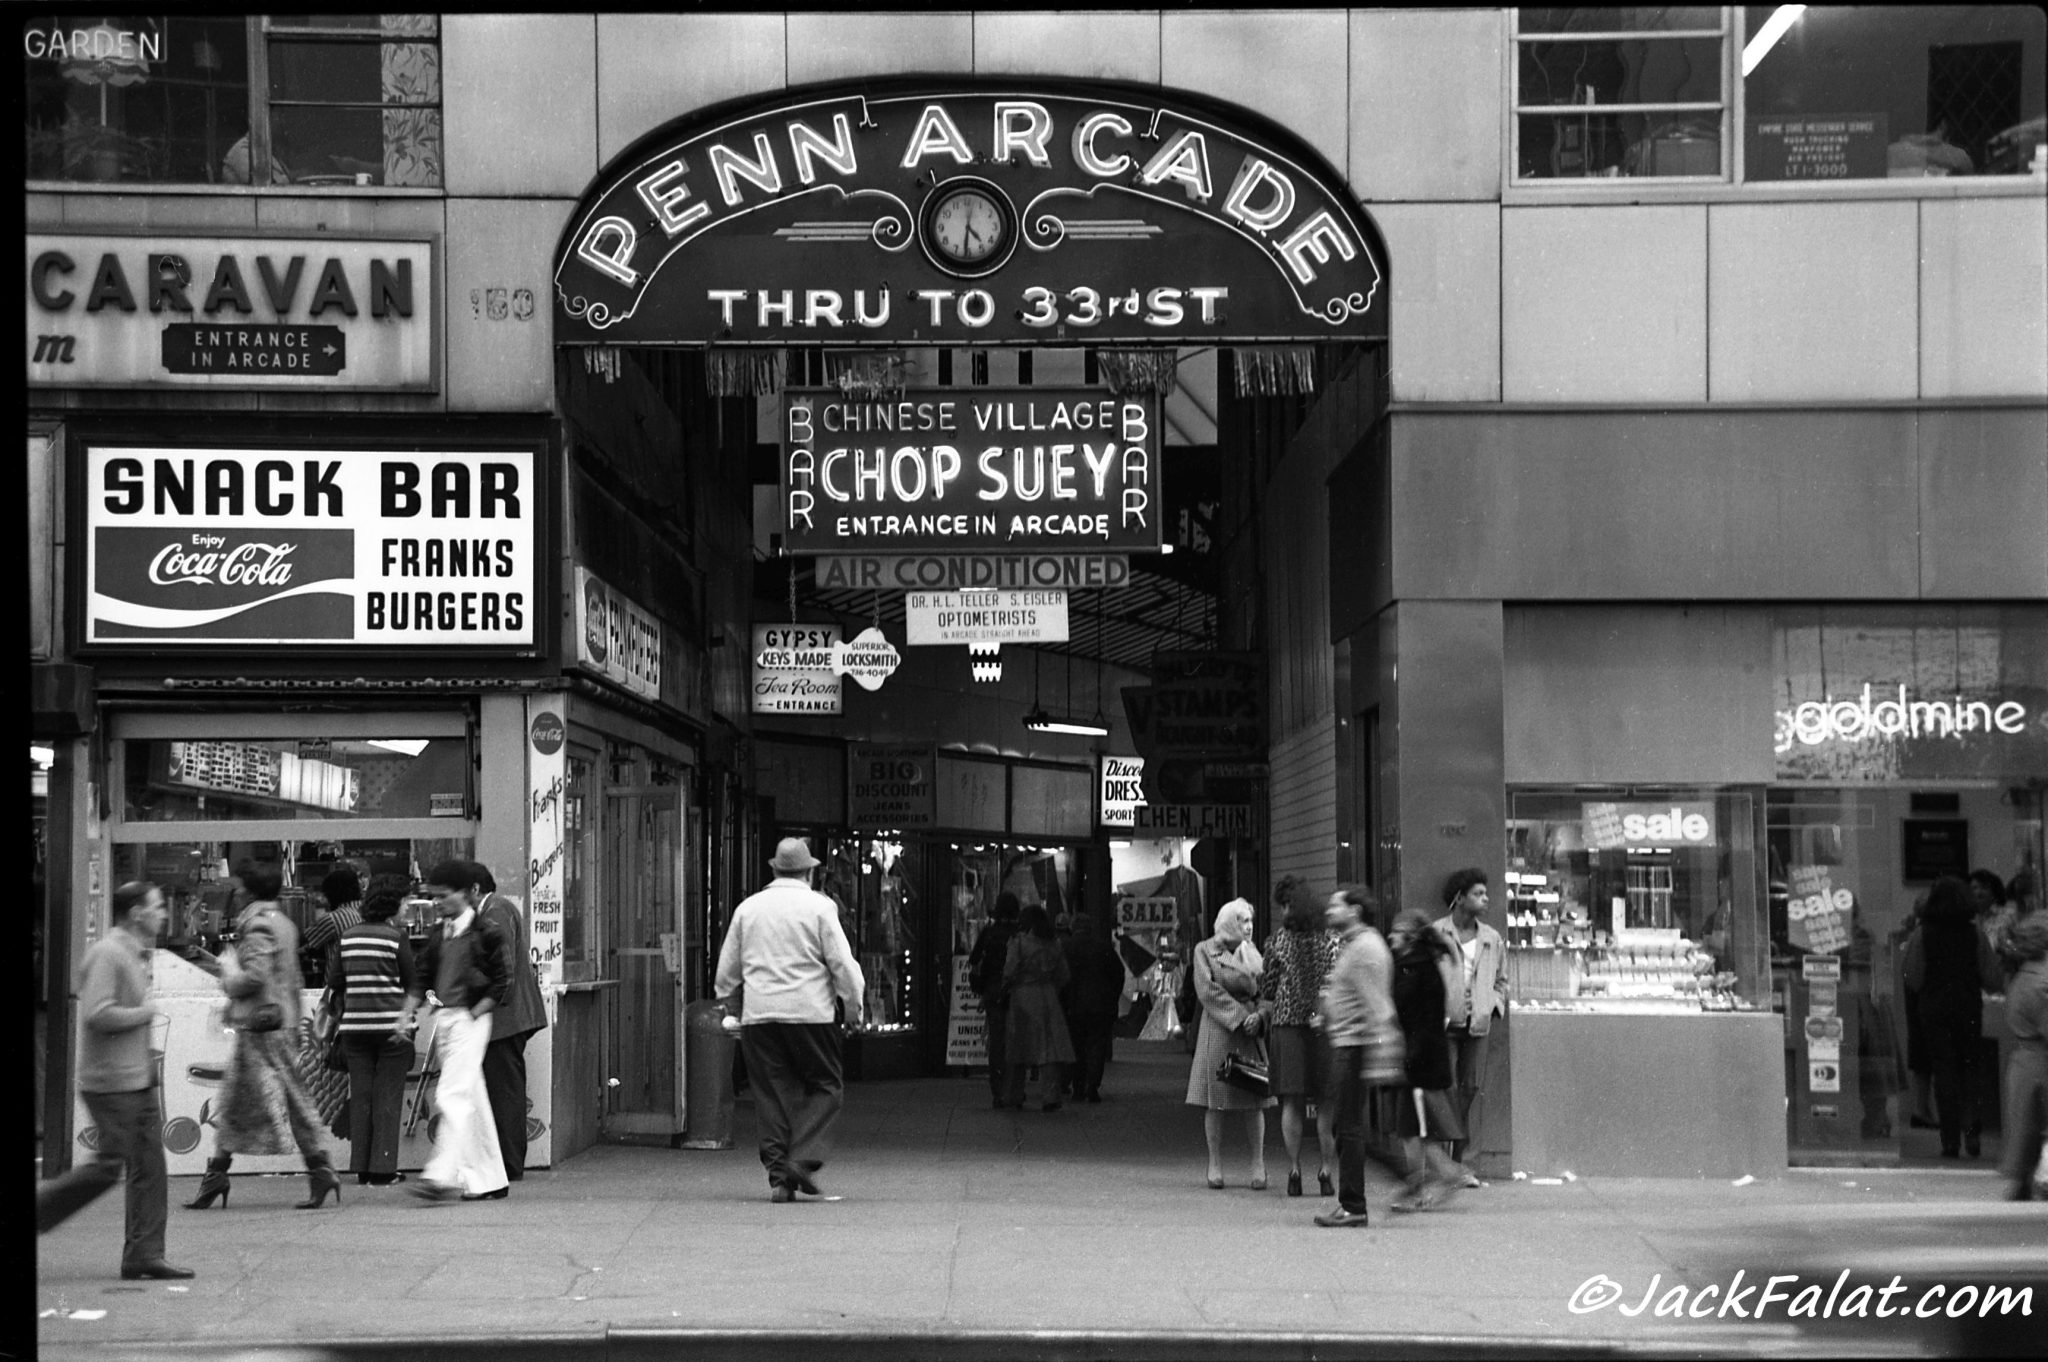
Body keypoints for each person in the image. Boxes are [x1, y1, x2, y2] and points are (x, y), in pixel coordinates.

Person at [36, 882, 193, 1279]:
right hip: (111, 1082)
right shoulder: (108, 953)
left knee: (150, 1168)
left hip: (135, 1080)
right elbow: (97, 1014)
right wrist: (145, 1012)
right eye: (157, 907)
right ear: (136, 913)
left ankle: (144, 1254)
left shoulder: (131, 953)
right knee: (109, 1166)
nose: (164, 914)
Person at [183, 862, 342, 1212]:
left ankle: (218, 1177)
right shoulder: (283, 924)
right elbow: (292, 978)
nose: (235, 892)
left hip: (261, 1030)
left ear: (250, 891)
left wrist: (227, 973)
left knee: (251, 1101)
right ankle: (318, 1170)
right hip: (279, 1025)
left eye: (239, 887)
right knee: (264, 1100)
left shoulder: (256, 926)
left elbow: (254, 977)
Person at [714, 837, 865, 1203]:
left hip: (760, 1015)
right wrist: (852, 1008)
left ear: (775, 869)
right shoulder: (820, 908)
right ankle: (803, 1155)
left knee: (771, 1094)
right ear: (810, 871)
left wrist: (729, 1006)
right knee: (826, 1086)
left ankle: (779, 1176)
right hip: (811, 1014)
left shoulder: (748, 909)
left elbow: (728, 969)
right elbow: (842, 965)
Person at [409, 859, 513, 1202]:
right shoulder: (441, 933)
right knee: (472, 1099)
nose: (438, 903)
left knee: (450, 1095)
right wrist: (412, 1007)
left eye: (443, 896)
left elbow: (502, 981)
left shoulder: (487, 932)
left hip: (469, 1019)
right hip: (446, 1018)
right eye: (433, 896)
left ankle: (439, 1176)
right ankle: (490, 1180)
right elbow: (425, 976)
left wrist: (476, 1012)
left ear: (467, 894)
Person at [1314, 884, 1400, 1228]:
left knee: (1348, 1126)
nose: (1329, 911)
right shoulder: (1358, 945)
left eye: (1336, 906)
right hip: (1350, 1043)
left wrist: (1383, 1047)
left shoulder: (1364, 949)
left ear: (1355, 911)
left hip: (1355, 1047)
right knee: (1348, 1125)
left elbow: (1377, 1003)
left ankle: (1353, 1205)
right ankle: (1404, 1174)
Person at [325, 884, 419, 1186]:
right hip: (392, 1030)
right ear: (391, 907)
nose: (406, 910)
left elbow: (334, 979)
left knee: (362, 1097)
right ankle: (384, 1169)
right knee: (388, 1097)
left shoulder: (348, 936)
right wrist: (435, 1001)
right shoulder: (396, 938)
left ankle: (362, 1168)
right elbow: (412, 982)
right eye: (403, 904)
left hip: (355, 1030)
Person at [1903, 876, 2003, 1160]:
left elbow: (1912, 976)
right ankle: (1972, 1135)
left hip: (1933, 1009)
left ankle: (1949, 1141)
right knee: (1970, 1070)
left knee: (1943, 1071)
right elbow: (1992, 977)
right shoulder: (1975, 934)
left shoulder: (1922, 934)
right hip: (1968, 1006)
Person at [1185, 897, 1274, 1189]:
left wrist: (1261, 1016)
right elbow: (1207, 990)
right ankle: (1214, 1162)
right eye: (1242, 921)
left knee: (1254, 1099)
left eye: (1249, 921)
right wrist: (1239, 1017)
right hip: (1220, 1028)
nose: (1248, 927)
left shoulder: (1253, 953)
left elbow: (1266, 990)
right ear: (1227, 922)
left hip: (1251, 1030)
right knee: (1216, 1100)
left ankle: (1258, 1163)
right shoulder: (1205, 950)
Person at [1260, 875, 1338, 1198]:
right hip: (1323, 1027)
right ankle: (1325, 1169)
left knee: (1290, 1102)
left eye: (1284, 906)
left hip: (1288, 1026)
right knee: (1326, 1103)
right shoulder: (1332, 940)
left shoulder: (1277, 942)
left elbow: (1267, 987)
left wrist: (1262, 1015)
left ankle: (1294, 1170)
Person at [471, 863, 548, 1186]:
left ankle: (508, 1163)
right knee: (506, 1090)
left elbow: (500, 968)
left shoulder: (495, 911)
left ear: (474, 888)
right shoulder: (499, 908)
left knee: (504, 1092)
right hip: (510, 1015)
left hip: (505, 1018)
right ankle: (506, 1161)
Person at [1386, 908, 1466, 1212]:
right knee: (1414, 1128)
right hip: (1422, 1058)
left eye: (1396, 932)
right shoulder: (1421, 964)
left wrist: (1409, 1055)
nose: (1391, 937)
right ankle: (1431, 1179)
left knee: (1413, 1128)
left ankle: (1440, 1177)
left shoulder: (1413, 968)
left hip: (1418, 1061)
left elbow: (1416, 1017)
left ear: (1408, 935)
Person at [1431, 868, 1508, 1185]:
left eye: (1486, 893)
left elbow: (1501, 980)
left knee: (1470, 1090)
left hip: (1477, 1025)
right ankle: (1441, 1166)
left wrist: (1493, 1005)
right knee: (1443, 1090)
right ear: (1459, 898)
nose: (1485, 898)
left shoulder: (1492, 939)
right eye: (1478, 893)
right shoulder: (1436, 934)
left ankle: (1461, 1165)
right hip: (1445, 1024)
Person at [1002, 904, 1076, 1111]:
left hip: (1022, 996)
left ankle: (1014, 1094)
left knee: (1017, 1047)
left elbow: (1009, 970)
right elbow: (1064, 975)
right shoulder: (1054, 944)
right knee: (1048, 1049)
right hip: (1048, 995)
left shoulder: (1019, 943)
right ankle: (1051, 1096)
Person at [1997, 915, 2048, 1200]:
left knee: (2024, 1129)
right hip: (2041, 1061)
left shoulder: (2022, 979)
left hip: (2025, 1061)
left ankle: (2022, 1184)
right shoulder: (2042, 984)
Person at [1060, 911, 1124, 1103]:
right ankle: (1092, 1086)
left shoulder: (1065, 948)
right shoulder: (1103, 947)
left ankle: (1078, 1087)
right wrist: (1112, 998)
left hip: (1073, 1006)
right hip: (1100, 1006)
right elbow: (1118, 974)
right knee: (1096, 1046)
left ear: (1073, 927)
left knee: (1076, 1046)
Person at [967, 893, 1021, 1108]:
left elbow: (974, 959)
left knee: (997, 1042)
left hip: (992, 991)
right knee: (1016, 1042)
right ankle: (1015, 1089)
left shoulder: (989, 932)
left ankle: (998, 1090)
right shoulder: (1019, 934)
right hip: (1015, 991)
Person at [301, 865, 365, 986]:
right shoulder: (365, 912)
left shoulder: (333, 918)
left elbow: (300, 941)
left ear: (332, 894)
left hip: (338, 989)